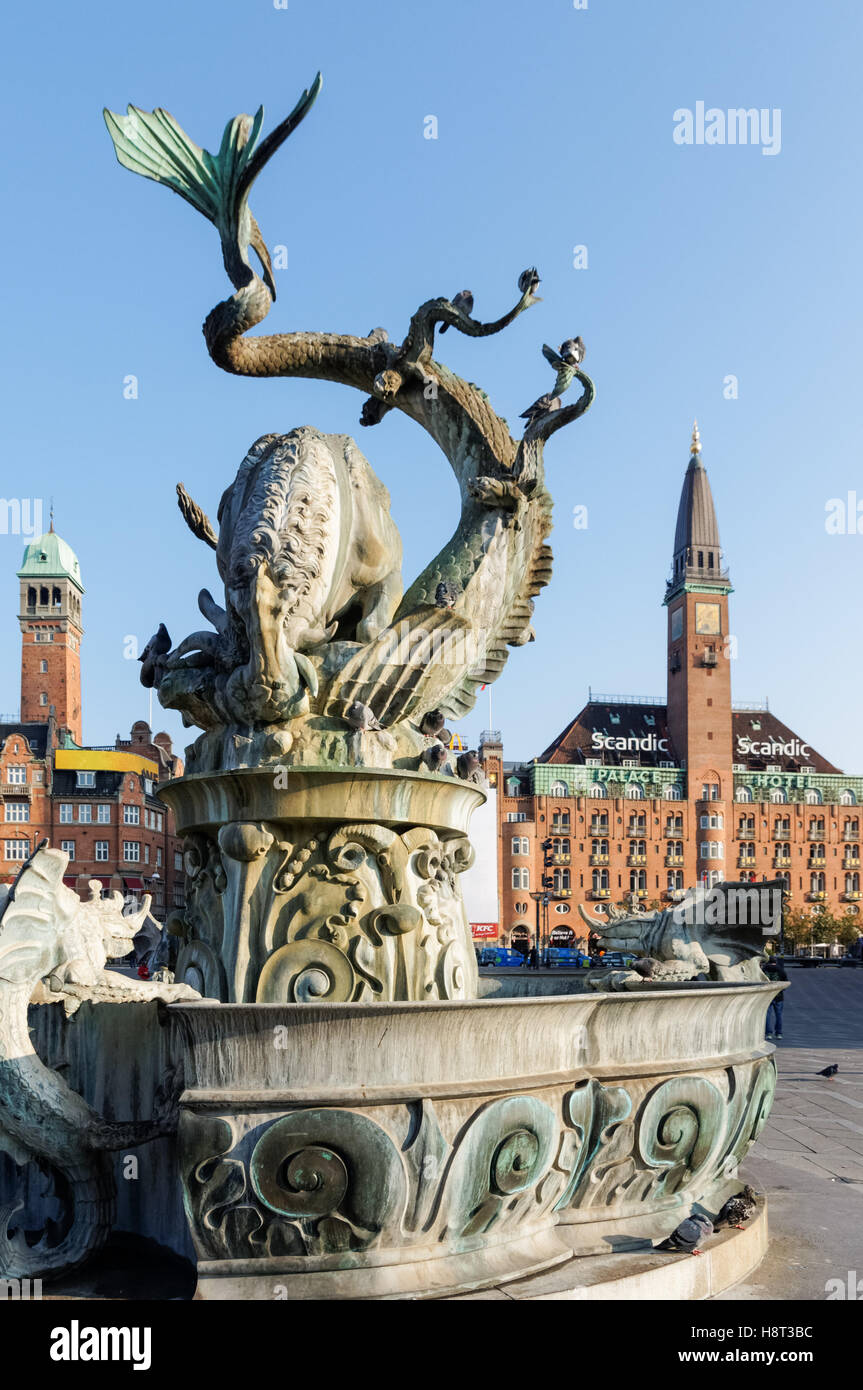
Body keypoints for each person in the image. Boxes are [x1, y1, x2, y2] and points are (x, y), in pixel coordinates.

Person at [763, 954, 788, 1039]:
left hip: (767, 995)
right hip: (778, 995)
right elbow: (785, 982)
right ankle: (779, 1033)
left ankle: (768, 1033)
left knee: (767, 1015)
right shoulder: (781, 970)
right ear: (776, 962)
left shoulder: (764, 969)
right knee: (779, 1015)